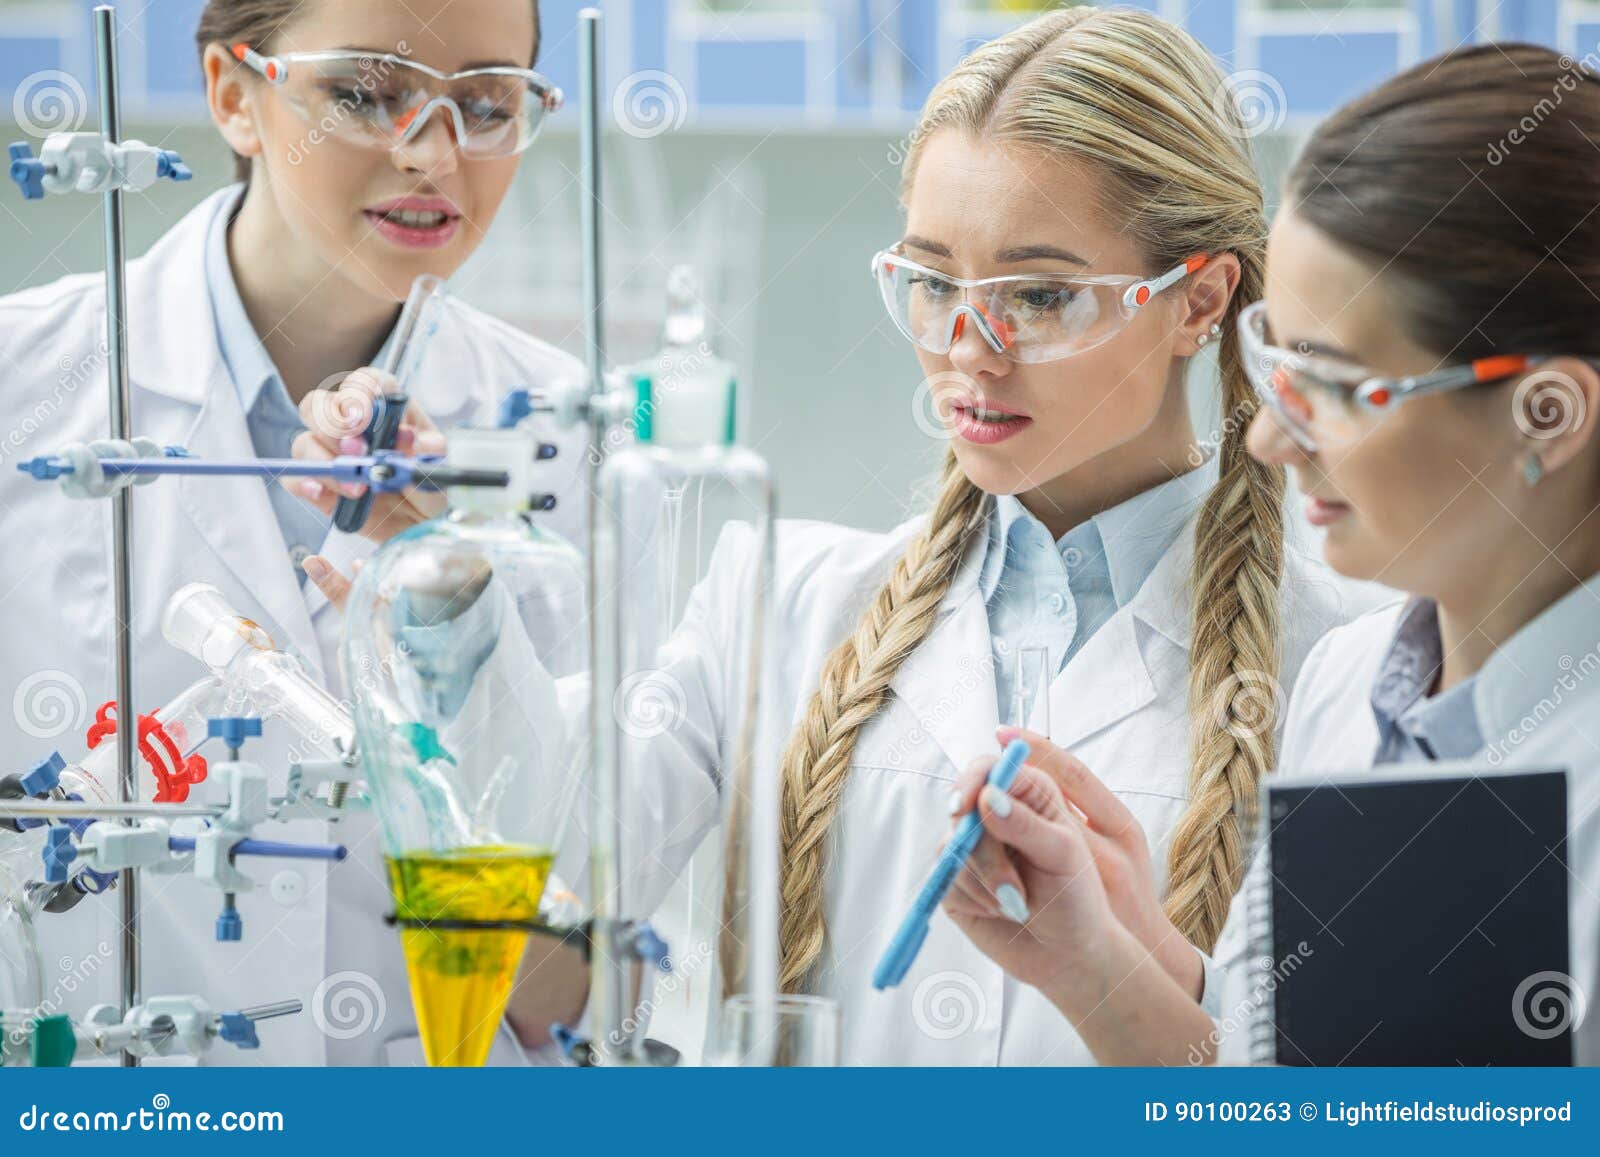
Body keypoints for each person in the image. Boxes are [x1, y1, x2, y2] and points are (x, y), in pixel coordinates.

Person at [305, 6, 1376, 1064]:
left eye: (1041, 295)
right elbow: (544, 879)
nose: (970, 349)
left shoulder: (1349, 662)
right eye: (933, 284)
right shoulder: (780, 601)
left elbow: (1344, 1096)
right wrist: (446, 585)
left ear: (1198, 301)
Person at [938, 42, 1600, 1067]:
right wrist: (1102, 960)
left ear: (1547, 413)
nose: (1270, 439)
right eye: (1276, 366)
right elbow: (1294, 1111)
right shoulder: (1351, 689)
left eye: (1336, 386)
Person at [0, 0, 585, 1065]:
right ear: (235, 96)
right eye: (366, 93)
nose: (433, 153)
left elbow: (580, 976)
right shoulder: (23, 391)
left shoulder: (567, 435)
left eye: (488, 104)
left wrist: (455, 609)